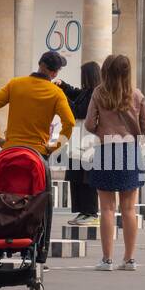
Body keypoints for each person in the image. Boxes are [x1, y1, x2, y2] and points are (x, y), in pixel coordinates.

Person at [0, 51, 75, 264]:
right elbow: (69, 122)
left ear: (39, 64)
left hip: (9, 150)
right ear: (54, 71)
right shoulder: (55, 92)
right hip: (37, 154)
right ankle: (37, 250)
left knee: (0, 194)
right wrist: (54, 146)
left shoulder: (16, 84)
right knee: (40, 200)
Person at [82, 54, 145, 270]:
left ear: (106, 71)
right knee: (129, 208)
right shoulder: (137, 94)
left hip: (105, 150)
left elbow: (88, 123)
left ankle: (107, 259)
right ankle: (129, 259)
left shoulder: (99, 93)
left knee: (107, 209)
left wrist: (102, 129)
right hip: (130, 150)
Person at [60, 60, 101, 226]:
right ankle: (82, 211)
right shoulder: (86, 91)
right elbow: (75, 93)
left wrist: (61, 97)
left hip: (87, 143)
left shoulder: (95, 94)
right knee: (76, 177)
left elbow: (79, 110)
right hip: (77, 141)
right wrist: (63, 86)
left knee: (86, 179)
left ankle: (91, 212)